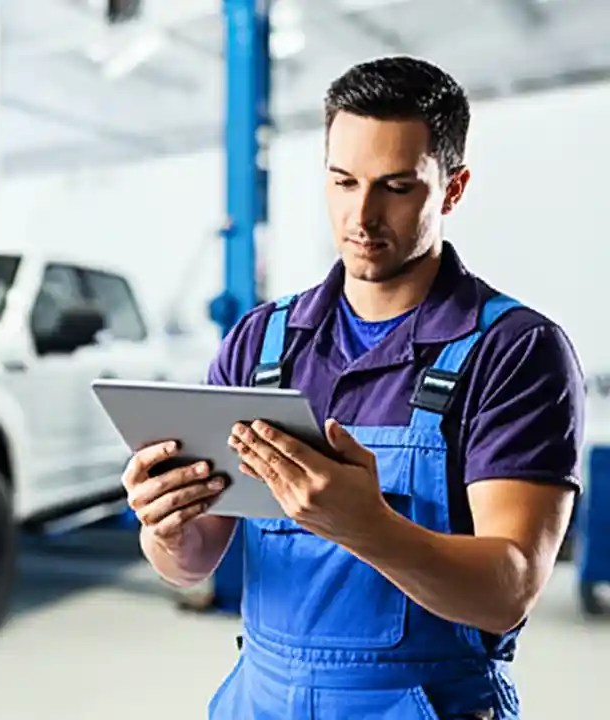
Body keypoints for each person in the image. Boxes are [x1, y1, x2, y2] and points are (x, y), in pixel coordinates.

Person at [122, 56, 584, 719]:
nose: (361, 215)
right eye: (343, 181)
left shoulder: (515, 352)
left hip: (420, 705)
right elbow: (192, 563)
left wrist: (368, 527)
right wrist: (165, 527)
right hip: (259, 698)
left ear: (452, 188)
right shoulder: (260, 343)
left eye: (397, 187)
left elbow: (508, 589)